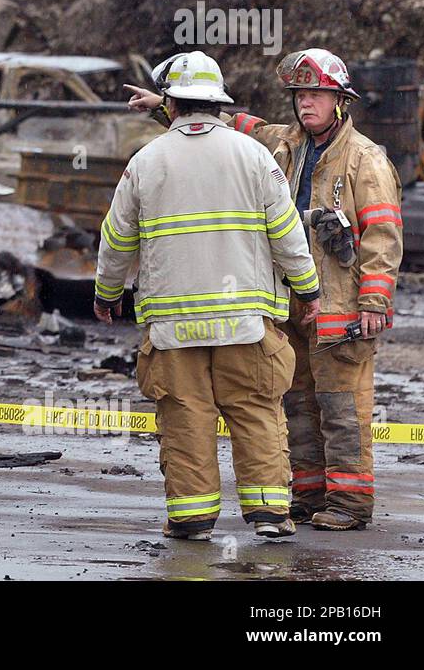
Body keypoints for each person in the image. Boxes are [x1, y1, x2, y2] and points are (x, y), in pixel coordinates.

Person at [130, 48, 403, 530]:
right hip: (291, 302)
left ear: (341, 100)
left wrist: (375, 301)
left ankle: (349, 503)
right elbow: (222, 129)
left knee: (342, 407)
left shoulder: (365, 159)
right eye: (300, 95)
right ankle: (309, 494)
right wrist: (166, 104)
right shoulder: (284, 144)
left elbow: (383, 236)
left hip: (343, 304)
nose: (306, 104)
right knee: (295, 401)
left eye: (317, 95)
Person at [96, 51, 321, 541]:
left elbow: (116, 238)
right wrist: (308, 288)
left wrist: (107, 293)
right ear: (218, 104)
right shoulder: (253, 155)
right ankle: (269, 514)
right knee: (256, 408)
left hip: (174, 327)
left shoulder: (146, 162)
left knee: (185, 416)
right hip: (245, 320)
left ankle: (193, 517)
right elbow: (286, 232)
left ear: (171, 105)